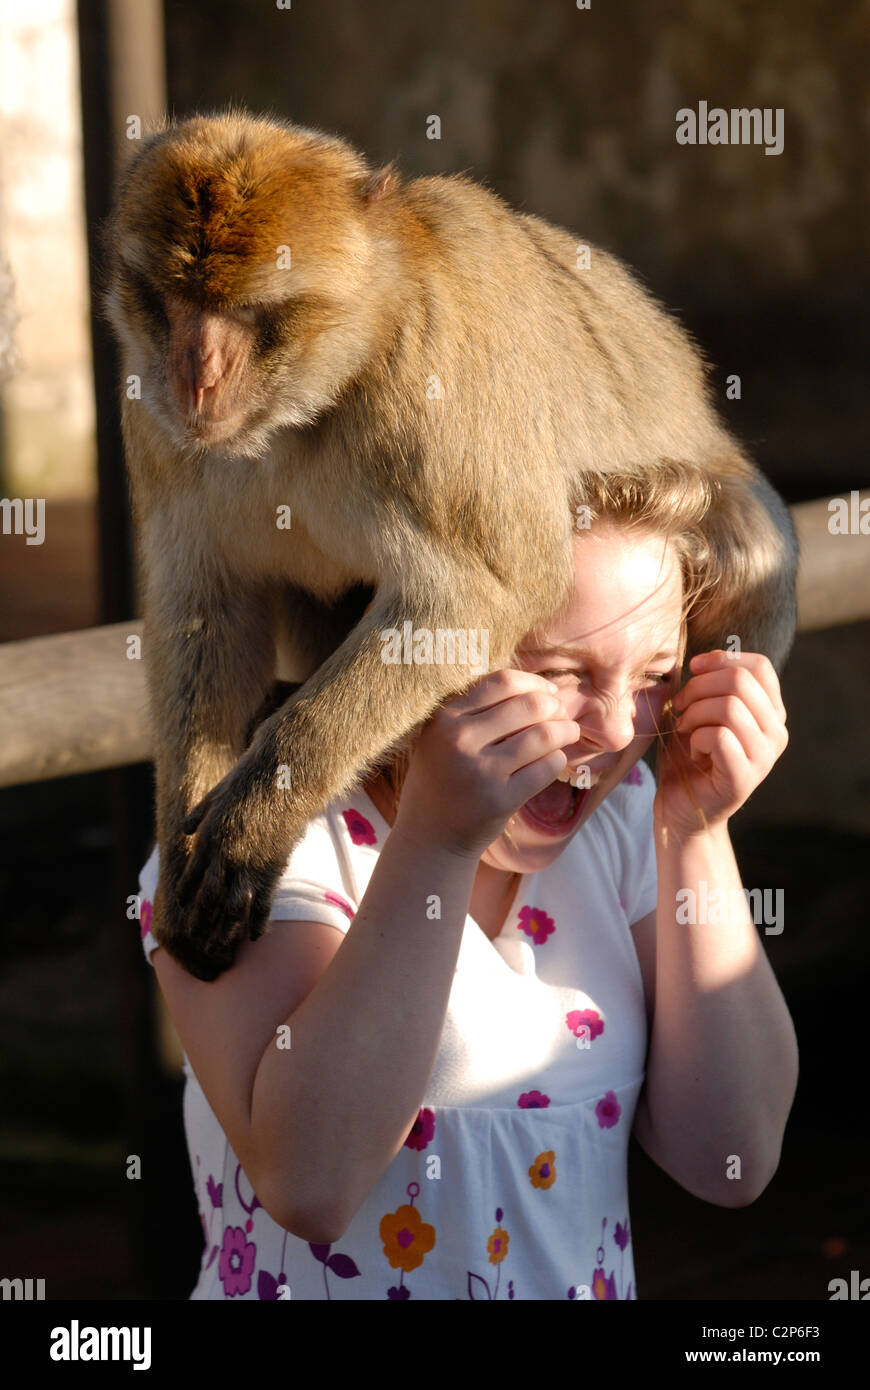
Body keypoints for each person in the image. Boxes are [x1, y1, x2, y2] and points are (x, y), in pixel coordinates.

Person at [136, 462, 798, 1300]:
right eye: (560, 672)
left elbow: (730, 1158)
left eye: (655, 675)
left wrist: (696, 829)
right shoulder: (264, 836)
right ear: (402, 644)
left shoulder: (631, 823)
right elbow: (311, 1183)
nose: (613, 728)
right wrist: (439, 844)